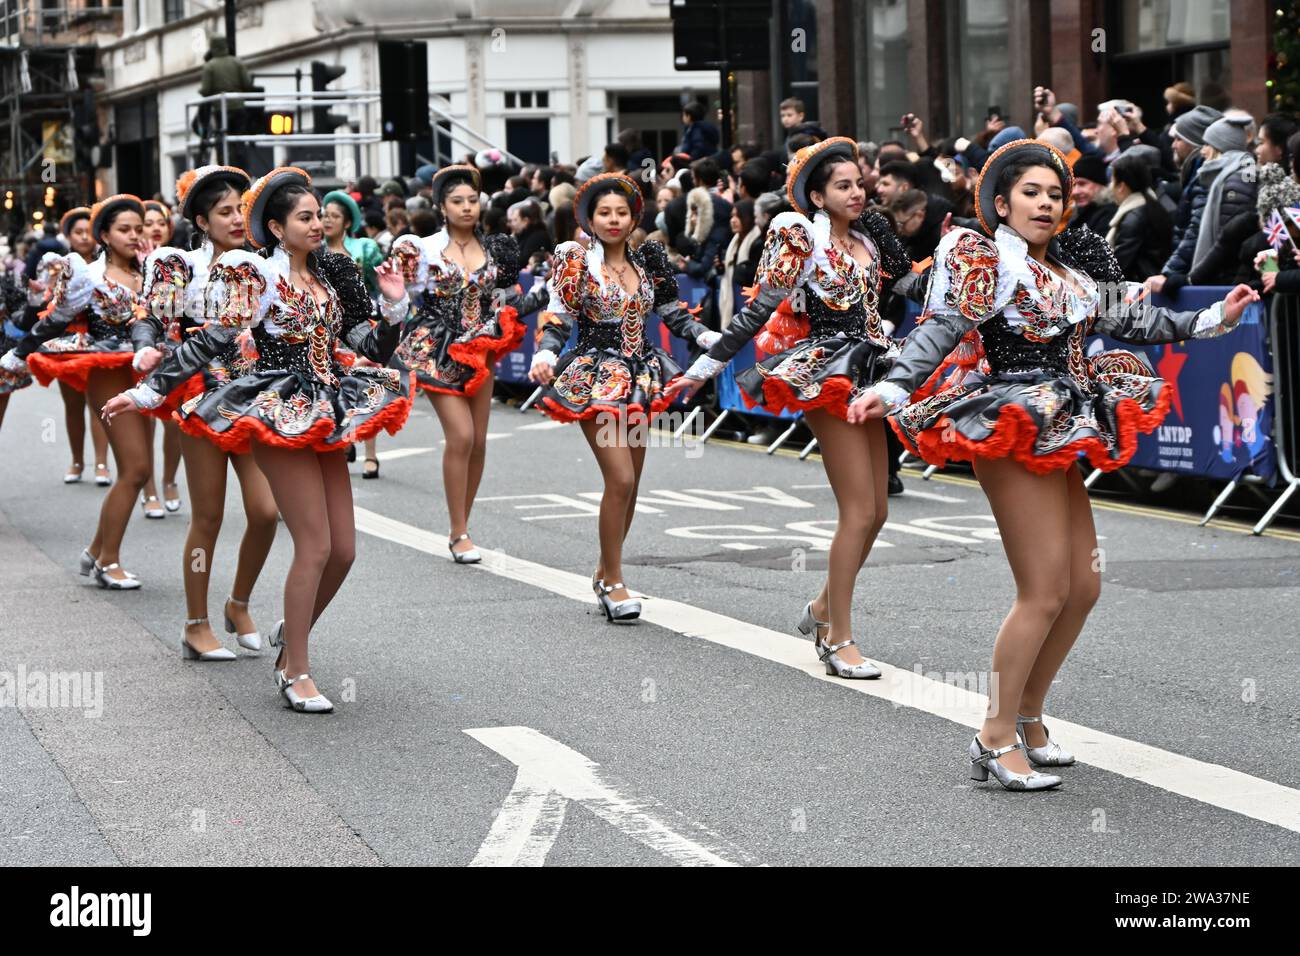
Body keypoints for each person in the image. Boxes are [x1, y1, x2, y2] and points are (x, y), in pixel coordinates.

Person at [848, 140, 1257, 790]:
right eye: (1031, 193)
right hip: (1008, 423)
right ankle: (993, 735)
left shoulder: (1069, 273)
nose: (1045, 204)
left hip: (1062, 420)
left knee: (1083, 587)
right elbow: (943, 325)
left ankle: (1029, 717)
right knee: (1043, 591)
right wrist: (895, 386)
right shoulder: (984, 257)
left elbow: (1137, 318)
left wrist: (1214, 316)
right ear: (1001, 202)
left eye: (1056, 194)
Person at [103, 167, 413, 712]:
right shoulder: (255, 276)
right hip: (275, 409)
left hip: (328, 408)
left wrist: (392, 306)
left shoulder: (333, 273)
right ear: (275, 226)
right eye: (305, 217)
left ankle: (288, 633)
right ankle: (293, 668)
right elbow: (215, 338)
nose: (318, 224)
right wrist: (150, 392)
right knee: (311, 544)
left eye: (319, 215)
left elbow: (369, 344)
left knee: (343, 550)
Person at [665, 138, 913, 678]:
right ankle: (837, 638)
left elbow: (916, 286)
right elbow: (759, 308)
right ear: (817, 196)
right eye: (842, 186)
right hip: (825, 372)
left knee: (878, 510)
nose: (856, 192)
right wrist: (709, 365)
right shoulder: (799, 236)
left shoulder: (873, 238)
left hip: (873, 369)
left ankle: (823, 607)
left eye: (859, 183)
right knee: (858, 510)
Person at [528, 173, 720, 622]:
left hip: (639, 378)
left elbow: (671, 311)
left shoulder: (648, 260)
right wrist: (544, 351)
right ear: (589, 219)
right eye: (604, 213)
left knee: (631, 484)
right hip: (595, 376)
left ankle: (604, 571)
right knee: (621, 480)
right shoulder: (576, 260)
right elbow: (558, 313)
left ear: (635, 217)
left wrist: (705, 334)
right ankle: (614, 581)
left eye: (622, 212)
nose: (614, 220)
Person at [119, 164, 280, 659]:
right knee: (207, 515)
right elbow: (148, 317)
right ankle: (195, 623)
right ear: (203, 221)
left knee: (266, 512)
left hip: (254, 397)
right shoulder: (181, 266)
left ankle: (238, 603)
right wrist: (145, 350)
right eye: (224, 212)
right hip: (199, 398)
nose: (236, 219)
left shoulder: (268, 265)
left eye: (241, 209)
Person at [389, 164, 547, 560]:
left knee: (477, 442)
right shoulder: (420, 248)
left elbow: (506, 302)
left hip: (481, 346)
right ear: (441, 206)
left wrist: (544, 293)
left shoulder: (498, 249)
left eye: (472, 201)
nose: (466, 208)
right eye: (457, 201)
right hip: (435, 347)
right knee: (460, 436)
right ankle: (458, 532)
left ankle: (463, 523)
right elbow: (398, 300)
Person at [1, 196, 152, 588]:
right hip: (108, 370)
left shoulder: (153, 270)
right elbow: (56, 319)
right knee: (136, 470)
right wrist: (19, 353)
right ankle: (108, 562)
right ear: (104, 235)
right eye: (124, 229)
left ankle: (95, 550)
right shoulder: (91, 276)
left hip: (147, 375)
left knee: (139, 467)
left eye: (138, 228)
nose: (134, 235)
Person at [28, 208, 111, 485]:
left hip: (101, 341)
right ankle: (77, 461)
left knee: (99, 403)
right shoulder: (59, 267)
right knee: (73, 404)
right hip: (68, 342)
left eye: (89, 231)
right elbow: (48, 305)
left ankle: (102, 463)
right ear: (68, 236)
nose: (85, 237)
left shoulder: (108, 264)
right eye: (78, 232)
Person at [139, 199, 184, 517]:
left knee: (174, 423)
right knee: (143, 420)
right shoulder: (127, 263)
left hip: (177, 350)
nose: (155, 228)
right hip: (143, 350)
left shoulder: (183, 262)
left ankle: (169, 480)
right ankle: (148, 488)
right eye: (148, 223)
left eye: (160, 222)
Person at [1105, 152, 1172, 282]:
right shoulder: (1152, 204)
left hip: (1138, 291)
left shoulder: (1134, 218)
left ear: (1121, 186)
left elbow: (1118, 266)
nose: (1110, 186)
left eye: (1112, 181)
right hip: (1149, 286)